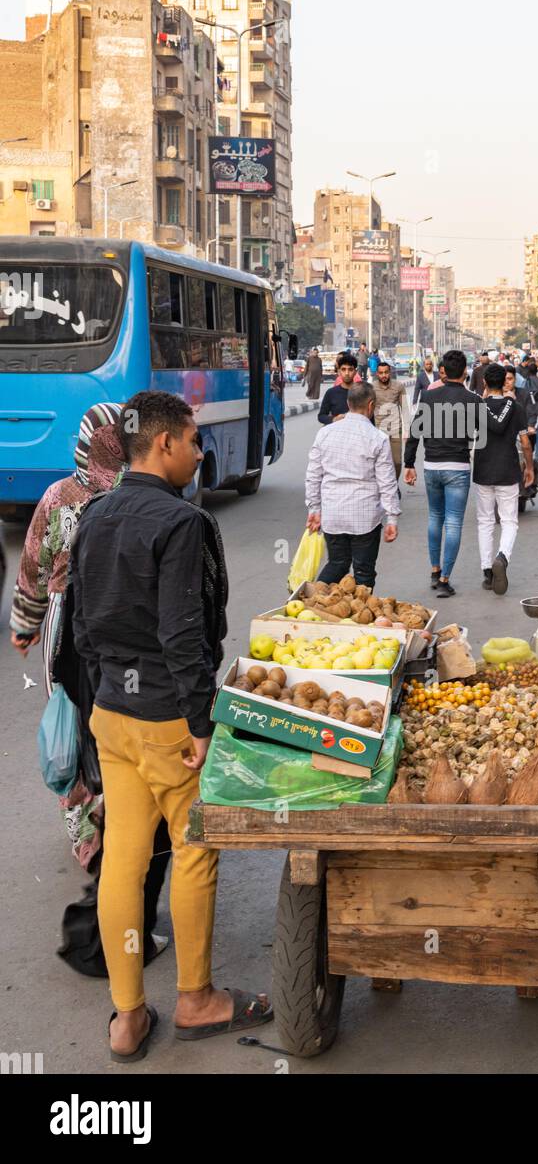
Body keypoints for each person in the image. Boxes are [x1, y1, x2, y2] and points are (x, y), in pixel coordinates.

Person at [70, 391, 270, 1060]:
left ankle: (127, 1017)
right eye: (192, 441)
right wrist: (199, 720)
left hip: (111, 714)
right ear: (163, 445)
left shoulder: (95, 512)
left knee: (124, 859)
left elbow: (82, 627)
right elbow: (183, 632)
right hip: (165, 719)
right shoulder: (179, 522)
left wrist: (104, 697)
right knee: (192, 848)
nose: (199, 451)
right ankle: (195, 998)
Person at [9, 403, 172, 976]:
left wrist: (25, 625)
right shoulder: (148, 494)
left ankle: (91, 835)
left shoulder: (59, 498)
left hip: (68, 639)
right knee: (118, 737)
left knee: (77, 736)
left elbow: (34, 567)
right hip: (128, 637)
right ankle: (125, 834)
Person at [305, 382, 400, 587]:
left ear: (348, 404)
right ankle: (359, 615)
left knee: (337, 564)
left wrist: (314, 508)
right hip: (365, 517)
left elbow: (313, 474)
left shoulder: (325, 433)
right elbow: (387, 482)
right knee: (363, 572)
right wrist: (392, 518)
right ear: (371, 405)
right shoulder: (378, 438)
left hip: (333, 513)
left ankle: (314, 602)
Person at [404, 348, 480, 597]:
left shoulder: (427, 397)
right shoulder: (473, 400)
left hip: (432, 466)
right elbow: (483, 436)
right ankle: (445, 578)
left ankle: (435, 569)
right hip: (457, 467)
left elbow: (415, 432)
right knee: (454, 522)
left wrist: (409, 464)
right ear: (466, 372)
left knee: (435, 517)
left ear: (443, 372)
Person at [474, 363, 534, 594]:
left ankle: (488, 572)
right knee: (509, 520)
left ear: (486, 383)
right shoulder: (516, 407)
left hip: (483, 469)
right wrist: (529, 467)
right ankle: (503, 557)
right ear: (506, 382)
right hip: (508, 469)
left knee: (486, 521)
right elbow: (525, 442)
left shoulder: (477, 408)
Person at [371, 360, 408, 483]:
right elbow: (367, 408)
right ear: (377, 373)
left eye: (386, 372)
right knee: (379, 462)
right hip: (377, 431)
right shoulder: (372, 387)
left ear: (390, 372)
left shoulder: (399, 386)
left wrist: (407, 429)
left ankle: (393, 484)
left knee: (397, 462)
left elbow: (405, 408)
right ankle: (382, 485)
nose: (383, 375)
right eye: (381, 373)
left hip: (395, 430)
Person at [317, 353, 358, 424]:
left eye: (350, 369)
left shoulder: (363, 392)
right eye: (343, 369)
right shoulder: (331, 393)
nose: (347, 373)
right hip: (337, 433)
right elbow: (321, 416)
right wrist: (334, 419)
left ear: (355, 372)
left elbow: (370, 418)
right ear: (339, 372)